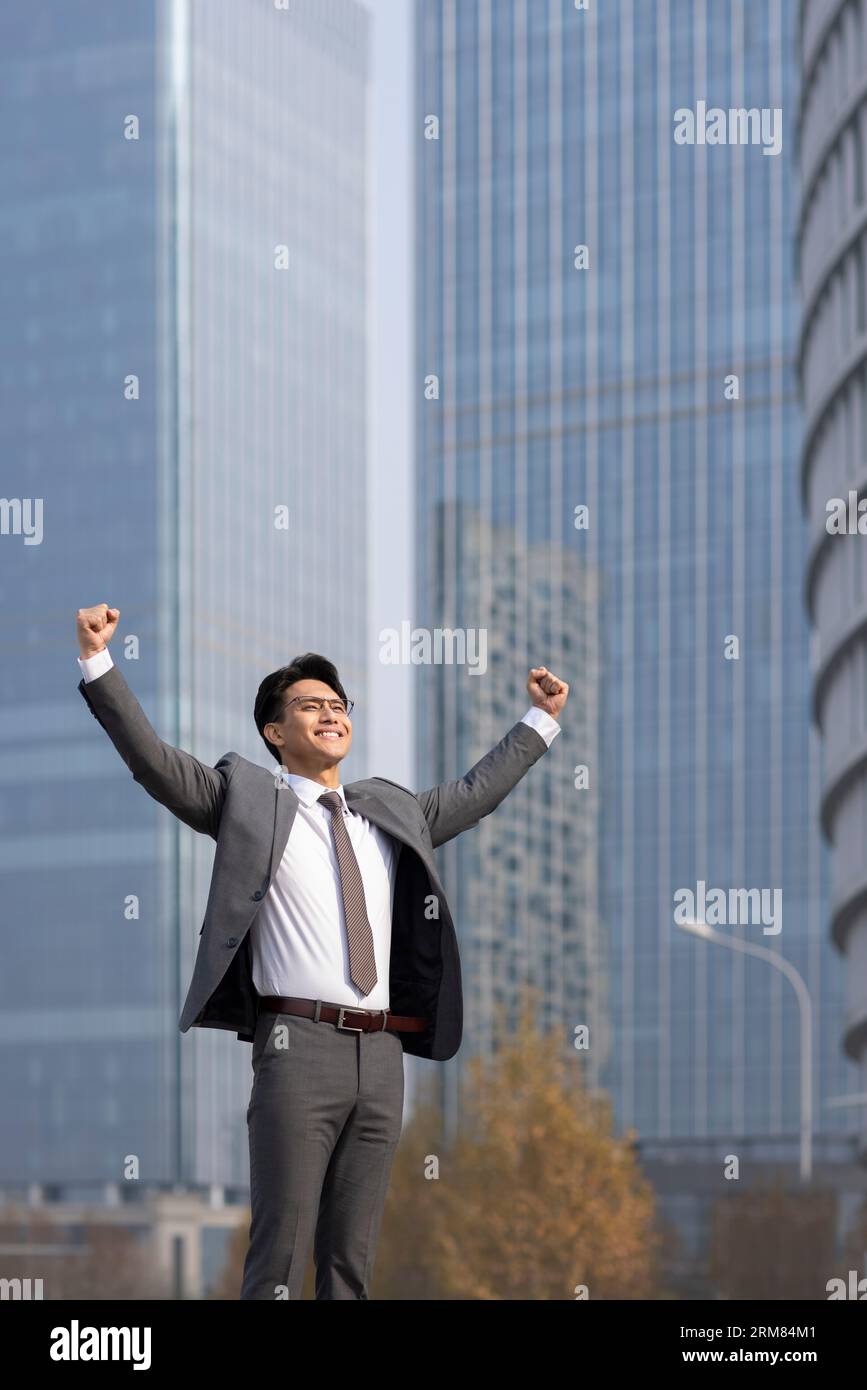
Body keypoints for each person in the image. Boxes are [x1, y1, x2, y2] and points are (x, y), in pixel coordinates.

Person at [75, 602, 568, 1299]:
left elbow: (474, 792)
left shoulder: (390, 812)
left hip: (383, 1057)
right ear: (276, 731)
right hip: (295, 1048)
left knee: (349, 1266)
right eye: (310, 705)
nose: (331, 714)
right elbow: (155, 763)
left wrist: (540, 720)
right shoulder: (248, 802)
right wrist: (99, 661)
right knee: (278, 1259)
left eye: (339, 704)